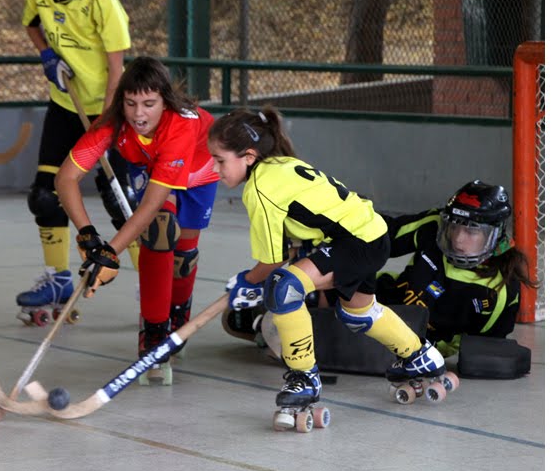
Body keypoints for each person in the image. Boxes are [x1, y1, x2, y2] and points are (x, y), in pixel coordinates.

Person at [207, 108, 448, 425]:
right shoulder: (280, 164)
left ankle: (304, 377)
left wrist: (245, 282)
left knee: (285, 288)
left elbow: (273, 260)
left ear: (248, 156)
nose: (214, 167)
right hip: (372, 232)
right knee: (359, 313)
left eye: (220, 160)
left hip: (356, 241)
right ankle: (420, 357)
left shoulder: (260, 190)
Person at [55, 56, 219, 381]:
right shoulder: (113, 123)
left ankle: (178, 314)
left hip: (200, 168)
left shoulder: (181, 124)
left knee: (183, 253)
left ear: (164, 101)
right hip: (149, 165)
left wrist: (110, 252)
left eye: (149, 103)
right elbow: (65, 178)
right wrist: (87, 235)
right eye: (131, 103)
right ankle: (156, 333)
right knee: (159, 231)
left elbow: (151, 204)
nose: (139, 114)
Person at [17, 0, 138, 324]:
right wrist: (47, 54)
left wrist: (105, 126)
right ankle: (58, 279)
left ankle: (153, 291)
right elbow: (32, 22)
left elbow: (117, 69)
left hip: (108, 109)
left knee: (122, 204)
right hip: (64, 104)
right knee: (45, 195)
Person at [375, 180, 539, 357]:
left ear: (494, 235)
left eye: (472, 231)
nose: (458, 239)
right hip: (382, 306)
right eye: (454, 227)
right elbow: (382, 237)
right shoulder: (435, 227)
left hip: (421, 349)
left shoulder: (501, 290)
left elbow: (484, 351)